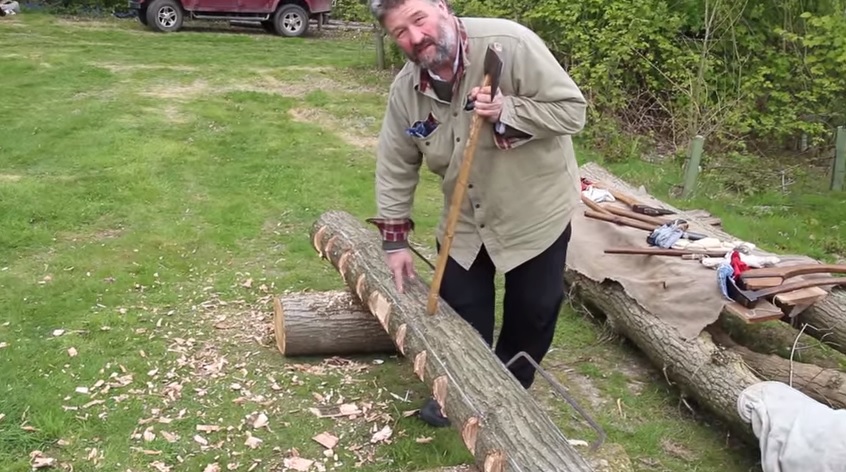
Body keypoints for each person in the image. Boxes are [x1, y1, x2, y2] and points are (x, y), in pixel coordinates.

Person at [366, 0, 587, 427]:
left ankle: (507, 390)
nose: (415, 37)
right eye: (400, 32)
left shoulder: (511, 44)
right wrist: (394, 239)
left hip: (533, 209)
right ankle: (459, 390)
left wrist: (510, 110)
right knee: (461, 309)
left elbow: (572, 111)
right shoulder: (406, 90)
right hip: (465, 217)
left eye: (419, 19)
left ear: (442, 7)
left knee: (534, 310)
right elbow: (395, 163)